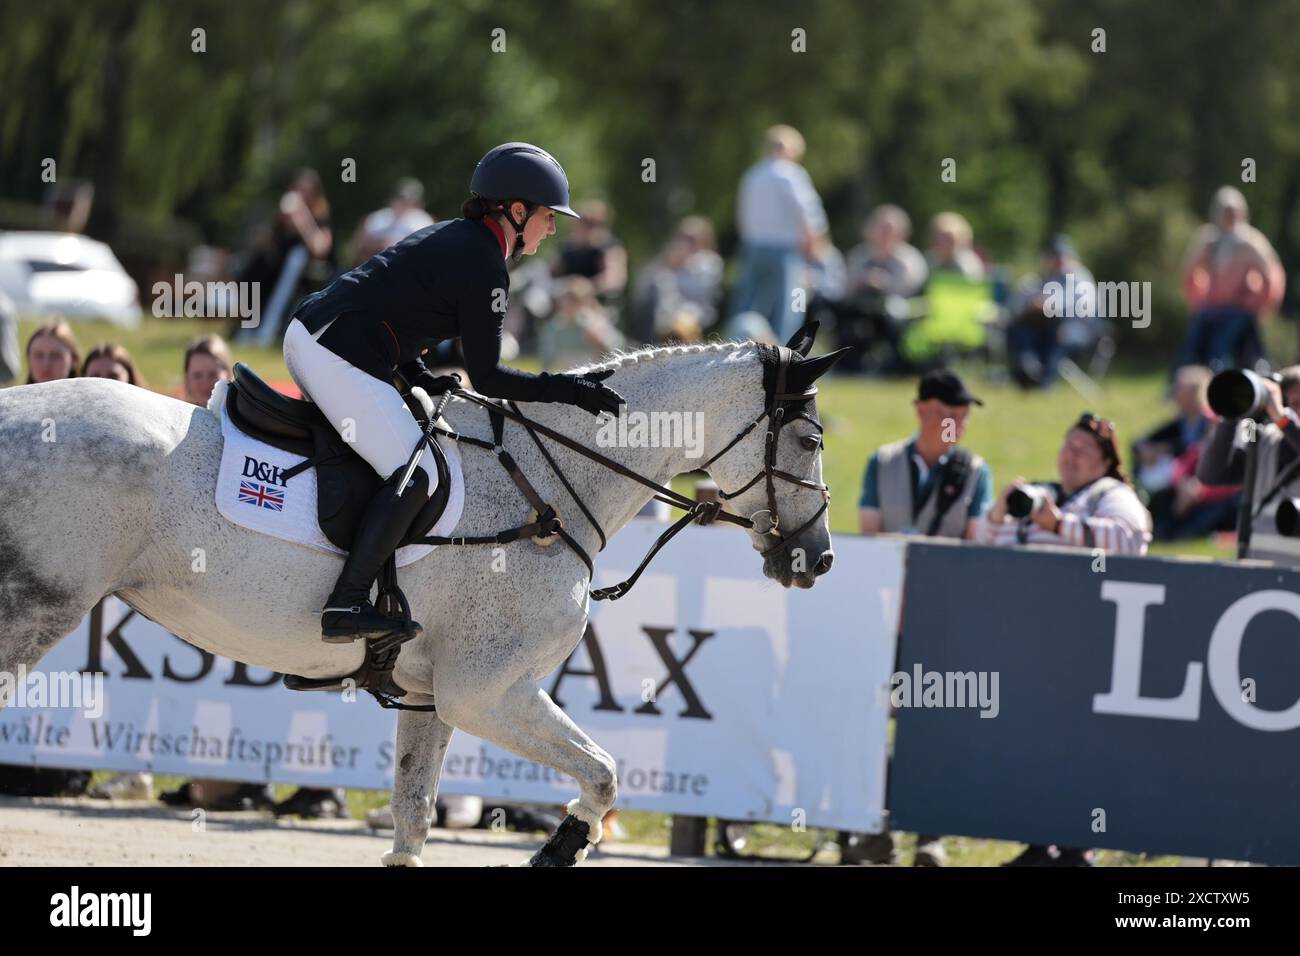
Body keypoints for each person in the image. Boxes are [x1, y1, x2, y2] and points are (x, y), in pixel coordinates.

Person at [283, 142, 624, 645]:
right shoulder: (487, 263)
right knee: (416, 471)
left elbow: (398, 305)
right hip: (331, 349)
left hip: (322, 335)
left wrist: (417, 373)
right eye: (548, 216)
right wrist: (566, 389)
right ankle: (346, 601)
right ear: (516, 210)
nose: (553, 227)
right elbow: (488, 378)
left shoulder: (464, 238)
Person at [977, 413, 1151, 867]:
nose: (1070, 456)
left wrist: (1060, 527)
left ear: (1107, 461)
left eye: (1083, 450)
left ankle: (1077, 847)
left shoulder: (1113, 497)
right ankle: (1038, 843)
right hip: (1034, 645)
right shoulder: (1043, 495)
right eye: (1067, 446)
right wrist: (997, 513)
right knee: (1034, 747)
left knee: (1081, 748)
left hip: (1092, 645)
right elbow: (987, 552)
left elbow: (1131, 541)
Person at [847, 369, 992, 867]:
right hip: (884, 617)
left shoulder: (975, 471)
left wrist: (909, 552)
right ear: (923, 409)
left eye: (964, 416)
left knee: (932, 729)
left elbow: (972, 549)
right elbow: (869, 542)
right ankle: (874, 828)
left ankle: (929, 836)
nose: (959, 424)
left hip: (941, 621)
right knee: (872, 724)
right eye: (951, 414)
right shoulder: (882, 462)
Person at [731, 125, 828, 344]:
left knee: (747, 304)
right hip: (785, 250)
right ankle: (785, 352)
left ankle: (733, 347)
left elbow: (742, 216)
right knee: (788, 307)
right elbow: (809, 212)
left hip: (753, 248)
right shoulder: (791, 174)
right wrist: (817, 243)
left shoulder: (752, 175)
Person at [1197, 366, 1300, 566]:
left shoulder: (1281, 421)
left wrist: (1281, 417)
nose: (1294, 413)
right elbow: (1210, 474)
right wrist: (1232, 416)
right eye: (1292, 404)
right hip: (1257, 579)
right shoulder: (1263, 440)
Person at [1177, 186, 1285, 373]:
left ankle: (1221, 382)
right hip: (1212, 308)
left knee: (1220, 345)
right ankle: (1183, 384)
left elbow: (1271, 275)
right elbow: (1189, 273)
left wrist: (1259, 304)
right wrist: (1198, 300)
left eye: (1233, 212)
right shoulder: (1209, 239)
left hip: (1238, 309)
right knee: (1192, 342)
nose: (1229, 217)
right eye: (1226, 212)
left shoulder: (1250, 241)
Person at [1134, 365, 1237, 540]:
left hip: (1217, 494)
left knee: (1185, 529)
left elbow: (1222, 466)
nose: (1175, 394)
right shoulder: (1182, 422)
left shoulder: (1216, 424)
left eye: (1179, 389)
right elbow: (1144, 442)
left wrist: (1197, 486)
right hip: (1187, 485)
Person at [240, 169, 336, 344]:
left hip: (304, 274)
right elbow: (272, 244)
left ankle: (266, 330)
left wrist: (303, 218)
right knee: (254, 270)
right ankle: (248, 326)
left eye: (305, 191)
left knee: (295, 259)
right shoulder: (283, 217)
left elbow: (320, 249)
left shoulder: (318, 217)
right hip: (276, 270)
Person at [829, 205, 928, 372]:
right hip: (862, 310)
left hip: (896, 313)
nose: (884, 234)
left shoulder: (910, 259)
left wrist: (883, 283)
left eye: (889, 230)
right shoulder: (860, 255)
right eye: (880, 228)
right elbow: (846, 287)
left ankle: (895, 367)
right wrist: (863, 281)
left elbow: (910, 288)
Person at [1007, 235, 1098, 389]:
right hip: (1047, 327)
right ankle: (1028, 372)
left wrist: (1047, 304)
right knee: (1022, 331)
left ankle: (1046, 381)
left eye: (1062, 256)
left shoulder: (1079, 278)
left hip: (1078, 329)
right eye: (1054, 256)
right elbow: (1019, 303)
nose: (1058, 261)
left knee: (1060, 334)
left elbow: (1082, 306)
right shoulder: (1044, 278)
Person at [629, 216, 724, 344]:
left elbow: (700, 292)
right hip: (664, 313)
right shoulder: (667, 260)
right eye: (683, 238)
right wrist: (666, 264)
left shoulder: (709, 262)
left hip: (693, 313)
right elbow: (643, 285)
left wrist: (683, 265)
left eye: (691, 239)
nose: (686, 243)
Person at [550, 199, 628, 310]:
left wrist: (584, 287)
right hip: (565, 306)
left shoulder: (609, 247)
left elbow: (614, 279)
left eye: (590, 223)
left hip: (598, 305)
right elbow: (551, 272)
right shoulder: (567, 248)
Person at [539, 276, 624, 371]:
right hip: (568, 376)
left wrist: (600, 343)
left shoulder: (595, 323)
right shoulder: (555, 327)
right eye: (564, 301)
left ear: (584, 302)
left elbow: (617, 350)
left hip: (593, 375)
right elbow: (547, 358)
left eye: (572, 301)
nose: (567, 305)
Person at [350, 178, 436, 266]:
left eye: (409, 200)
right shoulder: (377, 218)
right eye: (401, 198)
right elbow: (359, 247)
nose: (403, 203)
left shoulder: (423, 221)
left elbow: (425, 251)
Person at [926, 212, 984, 281]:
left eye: (948, 239)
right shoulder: (929, 261)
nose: (943, 243)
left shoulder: (968, 265)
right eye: (940, 238)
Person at [182, 334, 233, 406]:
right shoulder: (178, 413)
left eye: (212, 375)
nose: (205, 383)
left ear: (228, 375)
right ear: (187, 378)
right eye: (197, 376)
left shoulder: (241, 414)